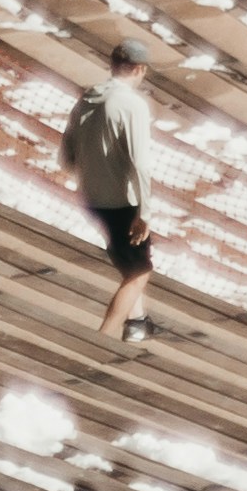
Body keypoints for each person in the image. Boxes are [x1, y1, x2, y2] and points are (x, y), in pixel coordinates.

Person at [58, 41, 164, 337]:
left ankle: (139, 320)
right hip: (123, 202)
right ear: (140, 69)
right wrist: (144, 212)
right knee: (139, 272)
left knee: (128, 259)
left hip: (92, 198)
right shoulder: (133, 105)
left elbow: (67, 154)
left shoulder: (87, 98)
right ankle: (106, 335)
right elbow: (139, 163)